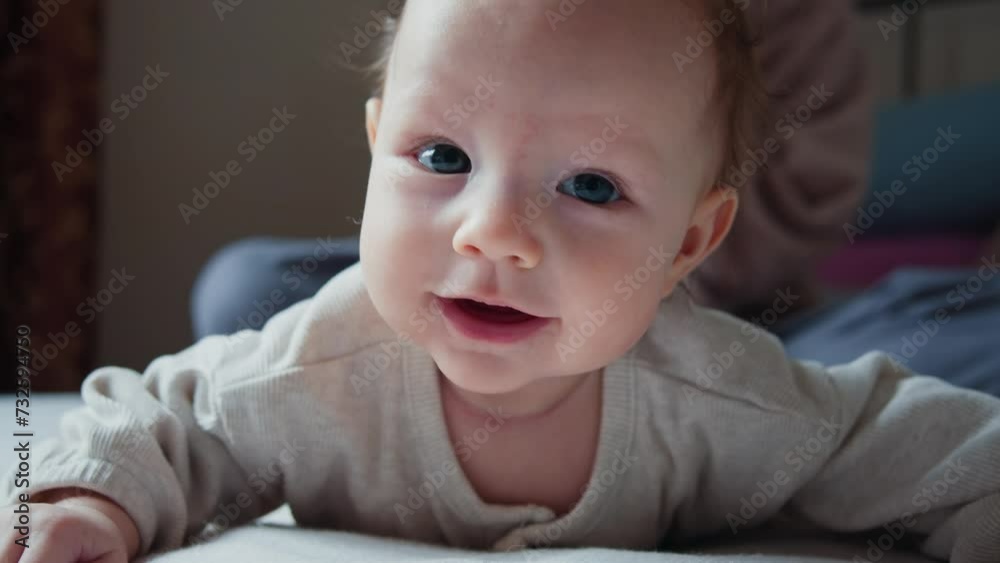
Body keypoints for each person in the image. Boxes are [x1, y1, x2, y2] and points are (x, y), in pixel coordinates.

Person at [3, 2, 999, 562]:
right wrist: (94, 502)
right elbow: (170, 418)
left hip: (775, 308)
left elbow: (926, 443)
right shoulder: (319, 367)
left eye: (591, 185)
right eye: (438, 157)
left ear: (693, 239)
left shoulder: (717, 393)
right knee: (248, 285)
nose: (493, 233)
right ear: (372, 143)